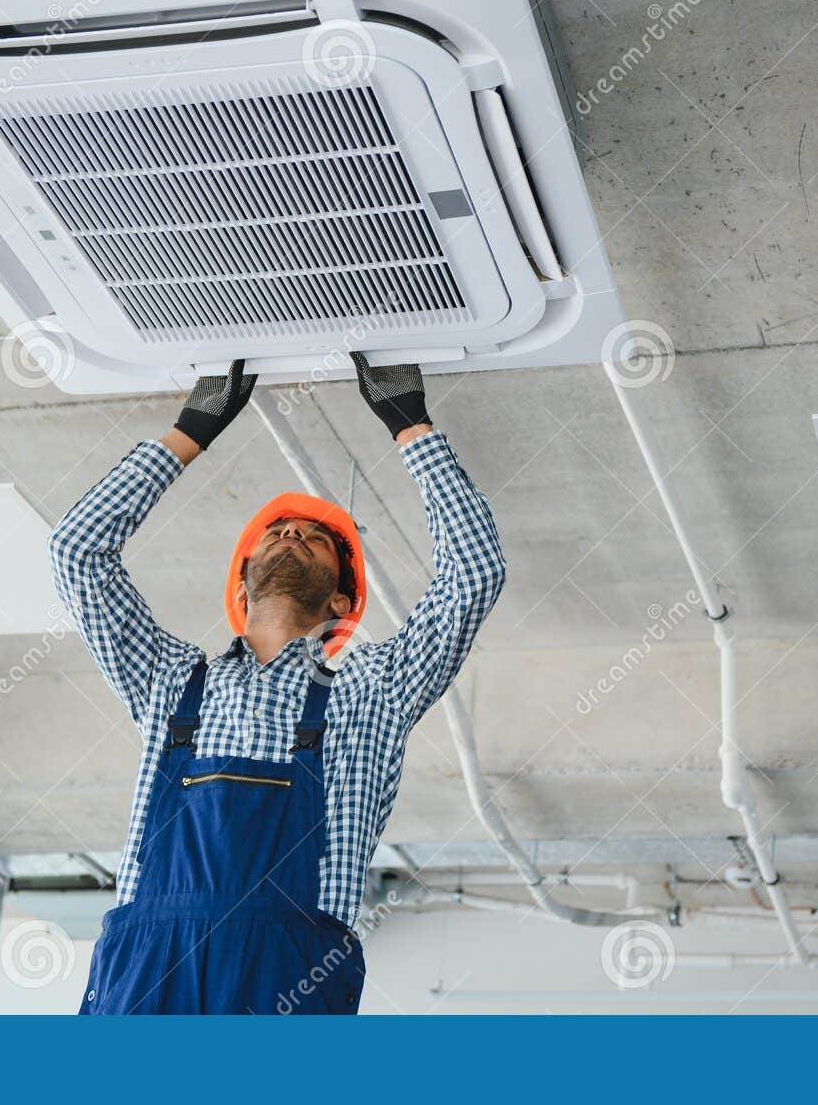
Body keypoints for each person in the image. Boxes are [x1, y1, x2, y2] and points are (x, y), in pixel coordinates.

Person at [49, 354, 505, 1014]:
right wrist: (190, 429)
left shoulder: (370, 693)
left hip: (286, 977)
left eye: (317, 538)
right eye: (277, 533)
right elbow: (76, 551)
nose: (292, 530)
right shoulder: (170, 681)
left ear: (344, 603)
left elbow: (474, 573)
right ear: (241, 585)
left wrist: (410, 423)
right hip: (148, 971)